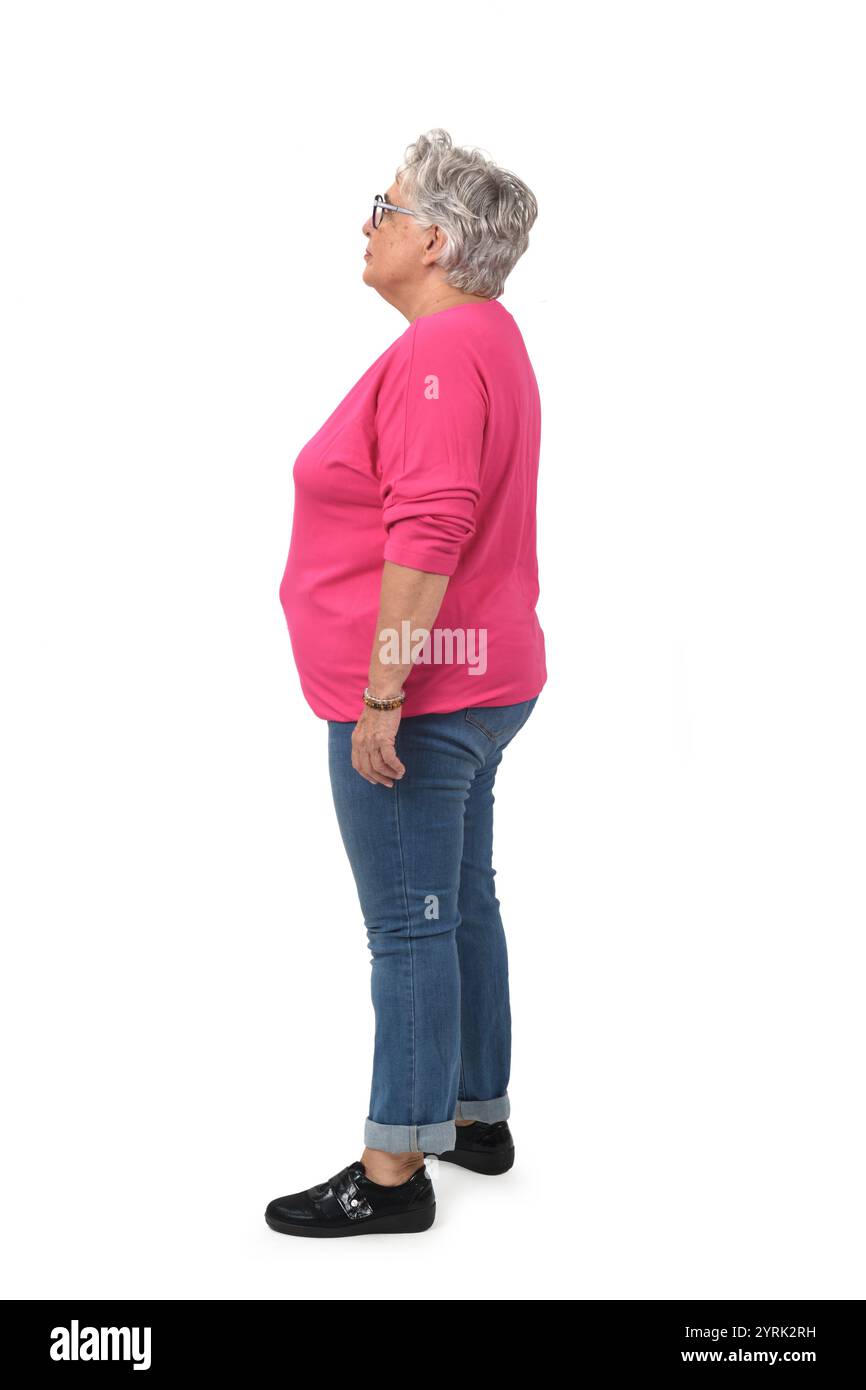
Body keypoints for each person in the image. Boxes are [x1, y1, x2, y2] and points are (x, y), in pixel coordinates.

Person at [266, 129, 546, 1237]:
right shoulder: (488, 335)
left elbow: (428, 531)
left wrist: (381, 699)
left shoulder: (438, 355)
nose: (371, 225)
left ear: (432, 239)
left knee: (410, 926)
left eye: (382, 207)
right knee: (459, 898)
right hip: (486, 673)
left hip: (421, 696)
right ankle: (473, 1118)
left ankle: (393, 1172)